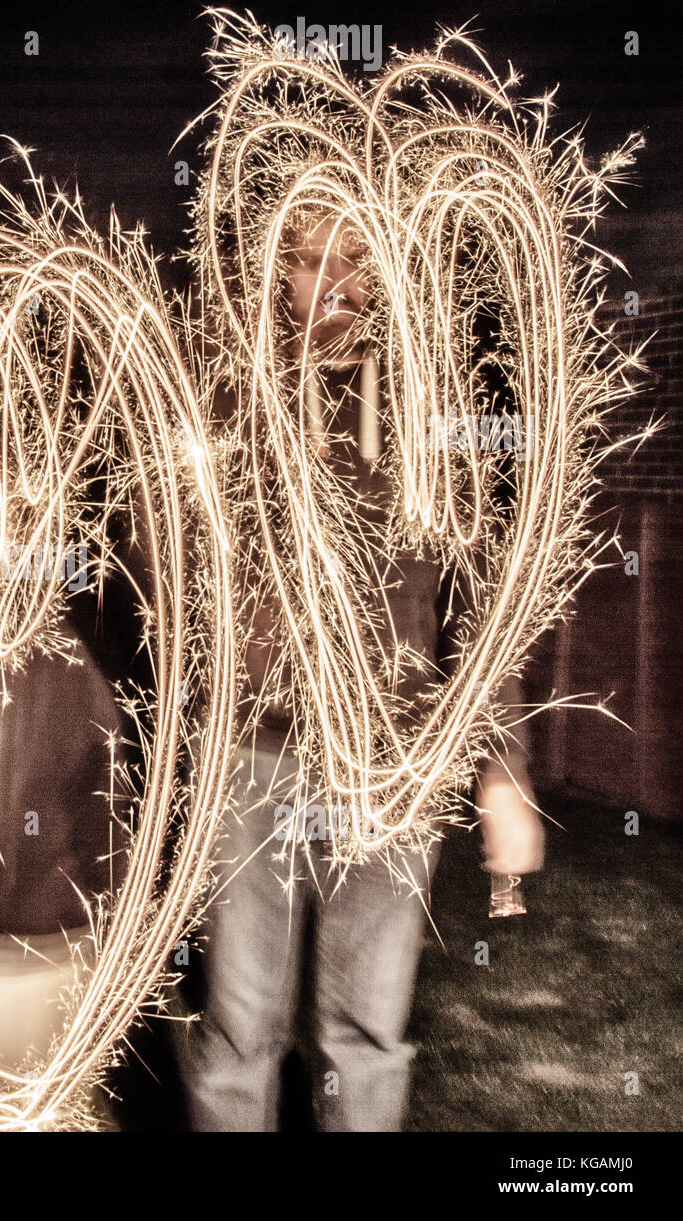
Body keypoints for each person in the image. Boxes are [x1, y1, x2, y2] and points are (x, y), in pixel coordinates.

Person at [183, 212, 545, 1131]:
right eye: (310, 261)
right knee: (239, 1027)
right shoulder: (231, 399)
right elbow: (178, 571)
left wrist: (502, 770)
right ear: (278, 274)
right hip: (252, 760)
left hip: (395, 770)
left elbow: (478, 595)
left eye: (355, 260)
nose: (335, 283)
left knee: (368, 1034)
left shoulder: (432, 412)